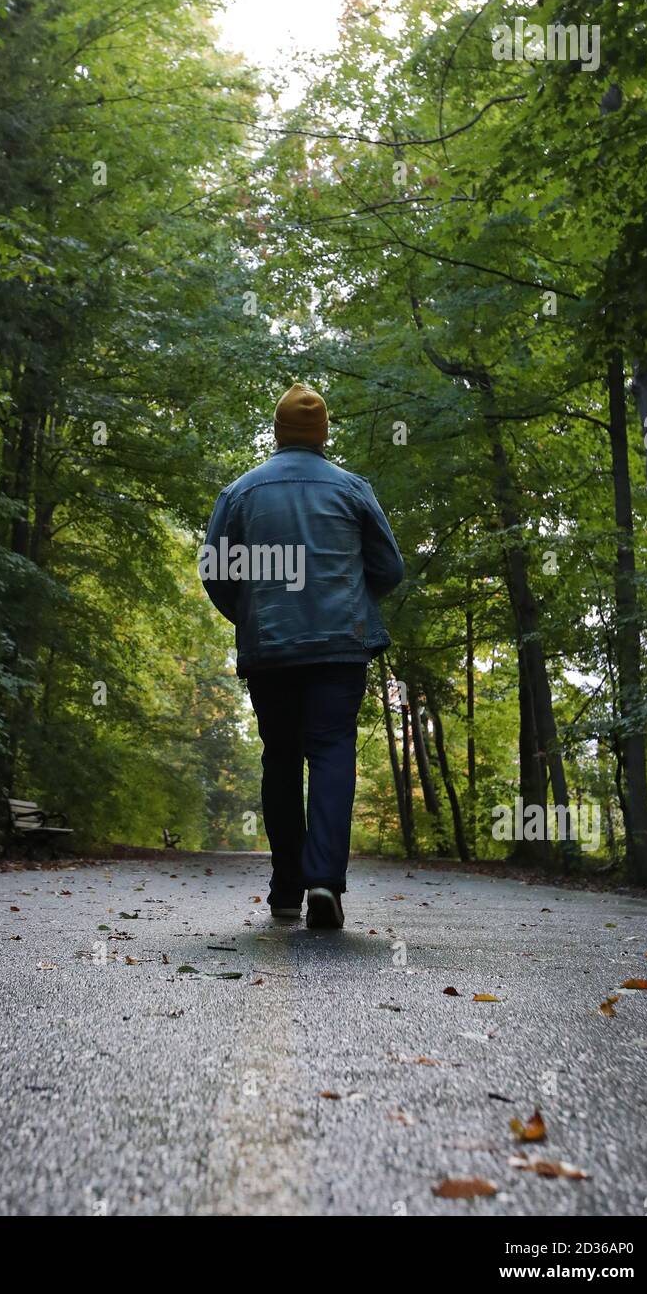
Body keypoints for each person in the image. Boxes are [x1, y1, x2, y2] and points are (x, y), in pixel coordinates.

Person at [199, 382, 404, 928]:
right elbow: (390, 570)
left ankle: (286, 887)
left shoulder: (240, 494)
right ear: (323, 434)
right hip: (340, 647)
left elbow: (216, 574)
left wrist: (251, 614)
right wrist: (350, 596)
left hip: (271, 649)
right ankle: (324, 882)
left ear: (277, 431)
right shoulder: (352, 489)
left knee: (281, 759)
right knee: (333, 752)